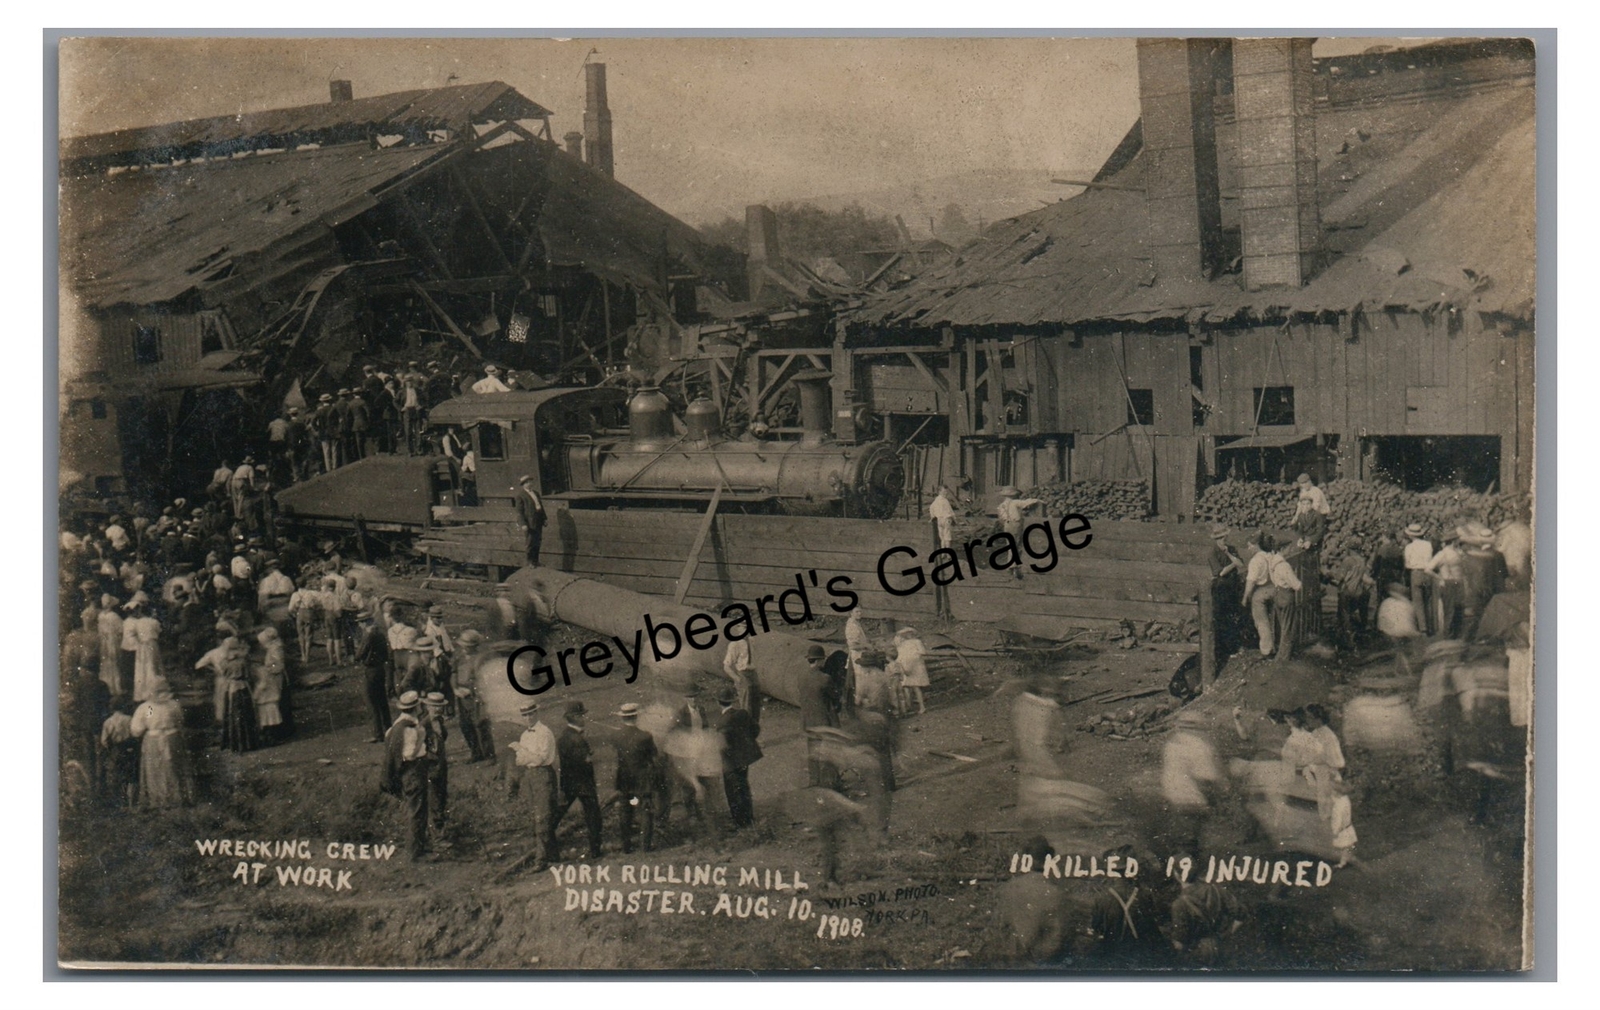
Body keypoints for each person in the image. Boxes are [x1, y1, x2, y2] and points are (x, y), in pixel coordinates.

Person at [983, 834, 1069, 966]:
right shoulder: (1055, 893)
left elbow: (998, 927)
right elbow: (1056, 939)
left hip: (1009, 961)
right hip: (1038, 963)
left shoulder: (1008, 888)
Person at [507, 701, 561, 871]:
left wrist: (522, 753)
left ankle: (541, 860)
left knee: (543, 817)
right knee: (537, 815)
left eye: (531, 714)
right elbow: (519, 761)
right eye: (525, 715)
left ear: (537, 714)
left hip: (543, 774)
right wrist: (524, 755)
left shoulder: (544, 732)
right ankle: (553, 855)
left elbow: (539, 759)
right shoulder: (525, 735)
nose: (528, 718)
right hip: (530, 776)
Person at [382, 691, 432, 861]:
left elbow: (388, 738)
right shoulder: (410, 729)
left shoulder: (398, 724)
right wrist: (421, 738)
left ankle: (418, 846)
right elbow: (409, 755)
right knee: (417, 812)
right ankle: (415, 852)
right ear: (416, 707)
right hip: (413, 772)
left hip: (405, 773)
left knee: (415, 809)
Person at [1161, 709, 1221, 852]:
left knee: (1177, 840)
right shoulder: (1200, 746)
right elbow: (1206, 778)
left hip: (1171, 796)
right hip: (1191, 799)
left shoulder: (1172, 744)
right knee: (1189, 843)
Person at [129, 678, 194, 809]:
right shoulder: (173, 705)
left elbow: (136, 730)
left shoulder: (148, 707)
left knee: (156, 770)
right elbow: (180, 720)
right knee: (173, 768)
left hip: (154, 739)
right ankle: (176, 798)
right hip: (172, 738)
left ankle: (159, 799)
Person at [553, 701, 604, 859]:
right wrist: (588, 757)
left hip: (569, 783)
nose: (584, 718)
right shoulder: (578, 738)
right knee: (594, 817)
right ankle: (595, 851)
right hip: (584, 784)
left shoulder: (563, 738)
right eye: (582, 715)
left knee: (556, 815)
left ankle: (548, 847)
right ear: (574, 717)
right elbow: (584, 761)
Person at [613, 703, 662, 853]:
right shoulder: (645, 736)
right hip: (642, 779)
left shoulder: (616, 736)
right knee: (646, 810)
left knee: (625, 812)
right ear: (636, 717)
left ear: (622, 718)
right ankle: (645, 846)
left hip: (624, 779)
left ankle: (626, 846)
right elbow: (654, 756)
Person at [714, 686, 763, 829]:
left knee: (732, 792)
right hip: (744, 759)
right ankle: (749, 818)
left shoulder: (722, 722)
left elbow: (721, 745)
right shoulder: (742, 713)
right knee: (743, 788)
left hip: (730, 762)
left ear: (718, 702)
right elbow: (756, 729)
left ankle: (739, 822)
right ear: (733, 701)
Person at [1458, 522, 1509, 640]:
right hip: (1497, 587)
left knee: (1478, 612)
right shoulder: (1499, 555)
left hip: (1480, 587)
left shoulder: (1473, 556)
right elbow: (1505, 573)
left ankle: (1476, 636)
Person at [798, 645, 840, 787]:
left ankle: (814, 780)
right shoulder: (825, 678)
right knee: (830, 751)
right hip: (824, 720)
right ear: (819, 661)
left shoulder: (801, 677)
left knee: (813, 751)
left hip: (808, 720)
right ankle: (831, 782)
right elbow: (835, 696)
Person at [451, 629, 495, 762]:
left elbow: (483, 679)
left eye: (467, 647)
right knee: (465, 725)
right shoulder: (459, 657)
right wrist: (455, 689)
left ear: (474, 646)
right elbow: (453, 673)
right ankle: (475, 753)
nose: (464, 649)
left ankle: (489, 755)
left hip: (476, 696)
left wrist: (473, 691)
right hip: (462, 696)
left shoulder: (480, 659)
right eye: (463, 646)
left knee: (481, 725)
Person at [352, 607, 391, 743]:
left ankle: (377, 733)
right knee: (382, 700)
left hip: (370, 670)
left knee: (371, 702)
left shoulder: (368, 634)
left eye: (360, 622)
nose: (359, 625)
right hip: (380, 668)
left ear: (364, 622)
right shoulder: (380, 633)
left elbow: (360, 653)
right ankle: (388, 728)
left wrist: (355, 656)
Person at [1333, 538, 1375, 648]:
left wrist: (1329, 574)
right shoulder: (1361, 560)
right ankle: (1361, 632)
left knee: (1344, 614)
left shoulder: (1348, 560)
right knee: (1362, 613)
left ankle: (1347, 639)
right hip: (1359, 591)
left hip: (1348, 591)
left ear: (1350, 549)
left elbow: (1339, 577)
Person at [1242, 533, 1279, 657]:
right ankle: (1275, 645)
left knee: (1261, 621)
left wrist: (1245, 597)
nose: (1249, 549)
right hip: (1274, 589)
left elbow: (1251, 582)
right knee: (1273, 618)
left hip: (1261, 592)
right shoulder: (1270, 556)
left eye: (1250, 546)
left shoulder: (1255, 561)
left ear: (1256, 545)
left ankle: (1266, 650)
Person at [423, 692, 452, 845]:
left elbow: (442, 738)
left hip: (441, 768)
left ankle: (438, 834)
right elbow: (420, 751)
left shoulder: (439, 722)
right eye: (434, 706)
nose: (438, 709)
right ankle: (437, 838)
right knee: (433, 803)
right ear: (427, 706)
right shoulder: (424, 725)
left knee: (441, 800)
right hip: (431, 769)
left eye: (440, 707)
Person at [1426, 529, 1467, 639]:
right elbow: (1428, 569)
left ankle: (1456, 636)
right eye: (1457, 539)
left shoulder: (1457, 552)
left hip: (1458, 583)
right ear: (1453, 541)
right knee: (1450, 611)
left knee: (1458, 610)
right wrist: (1440, 578)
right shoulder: (1442, 554)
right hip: (1449, 583)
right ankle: (1449, 637)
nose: (1459, 541)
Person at [995, 487, 1044, 579]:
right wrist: (1037, 500)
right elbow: (1026, 503)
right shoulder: (1015, 502)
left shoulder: (1001, 505)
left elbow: (1001, 518)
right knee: (1017, 545)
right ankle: (1013, 565)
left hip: (1007, 525)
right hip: (1016, 525)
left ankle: (1010, 565)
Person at [1267, 545, 1304, 660]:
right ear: (1282, 549)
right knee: (1288, 625)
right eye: (1288, 548)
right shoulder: (1284, 565)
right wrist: (1299, 585)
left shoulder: (1272, 562)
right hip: (1286, 594)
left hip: (1277, 593)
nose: (1290, 550)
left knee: (1280, 624)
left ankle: (1280, 651)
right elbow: (1296, 585)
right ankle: (1284, 656)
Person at [253, 627, 288, 744]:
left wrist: (267, 669)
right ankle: (279, 730)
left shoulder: (276, 649)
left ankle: (279, 731)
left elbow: (278, 665)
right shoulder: (273, 648)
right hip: (273, 678)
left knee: (276, 702)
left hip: (276, 678)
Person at [1403, 523, 1436, 636]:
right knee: (1428, 600)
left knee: (1418, 602)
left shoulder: (1409, 547)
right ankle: (1431, 627)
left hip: (1416, 572)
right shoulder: (1428, 545)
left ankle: (1423, 629)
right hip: (1427, 572)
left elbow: (1407, 564)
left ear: (1411, 536)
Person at [892, 627, 929, 715]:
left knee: (915, 686)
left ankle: (922, 707)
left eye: (910, 633)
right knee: (906, 686)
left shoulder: (917, 642)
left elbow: (923, 652)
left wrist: (913, 656)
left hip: (915, 665)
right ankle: (909, 706)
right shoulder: (902, 644)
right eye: (907, 634)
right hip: (906, 665)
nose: (909, 635)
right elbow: (899, 656)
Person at [722, 637, 759, 722]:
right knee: (746, 707)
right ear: (739, 628)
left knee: (756, 708)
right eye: (743, 627)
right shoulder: (735, 644)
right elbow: (726, 667)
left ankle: (754, 731)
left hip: (753, 675)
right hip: (743, 674)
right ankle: (745, 731)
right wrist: (737, 679)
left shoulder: (752, 641)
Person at [1495, 512, 1533, 589]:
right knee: (1524, 569)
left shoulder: (1505, 532)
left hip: (1513, 555)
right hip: (1524, 552)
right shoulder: (1522, 527)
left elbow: (1500, 548)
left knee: (1517, 572)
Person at [515, 475, 547, 566]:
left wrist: (544, 518)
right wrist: (523, 524)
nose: (530, 483)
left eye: (530, 481)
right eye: (528, 482)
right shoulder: (520, 496)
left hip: (538, 520)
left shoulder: (536, 493)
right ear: (524, 485)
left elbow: (540, 507)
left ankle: (536, 561)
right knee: (530, 542)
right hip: (530, 522)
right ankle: (530, 562)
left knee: (537, 541)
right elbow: (519, 512)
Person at [96, 593, 124, 697]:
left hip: (104, 641)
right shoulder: (114, 616)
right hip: (112, 641)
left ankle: (108, 686)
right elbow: (121, 630)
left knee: (106, 663)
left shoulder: (100, 616)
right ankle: (116, 688)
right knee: (114, 664)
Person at [1292, 473, 1330, 547]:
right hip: (1309, 513)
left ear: (1310, 482)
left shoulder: (1316, 491)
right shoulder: (1303, 492)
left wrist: (1305, 514)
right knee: (1298, 524)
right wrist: (1296, 517)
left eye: (1306, 483)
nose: (1304, 485)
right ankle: (1301, 539)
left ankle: (1311, 540)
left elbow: (1316, 507)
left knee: (1312, 529)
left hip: (1321, 514)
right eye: (1302, 484)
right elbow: (1300, 505)